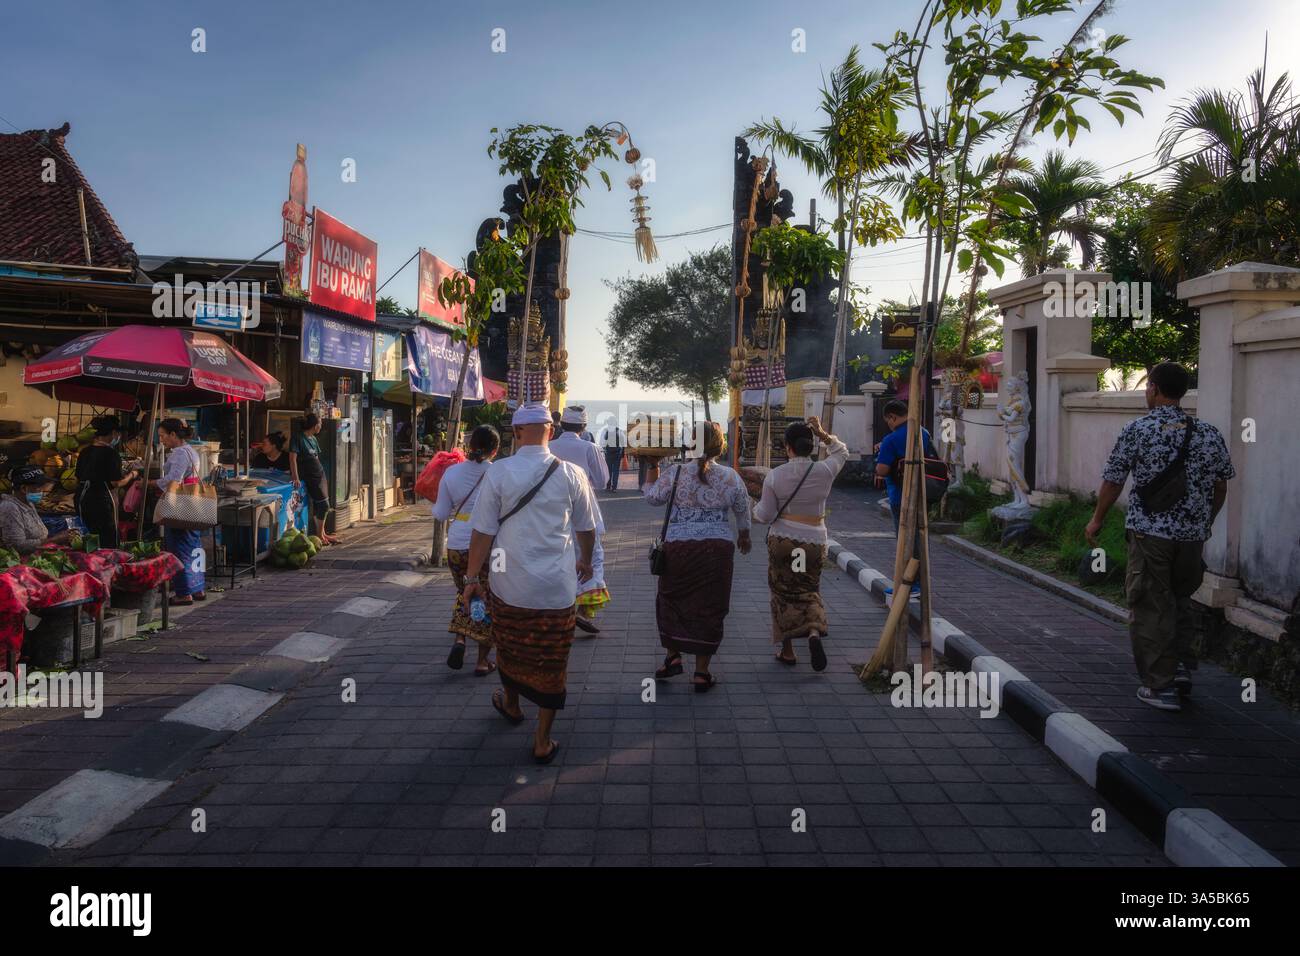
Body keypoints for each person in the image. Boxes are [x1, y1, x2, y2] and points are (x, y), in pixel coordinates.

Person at [1085, 361, 1234, 713]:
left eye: (1148, 387)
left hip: (1150, 534)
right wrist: (1204, 522)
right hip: (1192, 537)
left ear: (1153, 388)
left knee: (1151, 605)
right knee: (1181, 600)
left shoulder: (1139, 429)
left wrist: (1096, 520)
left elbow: (1113, 480)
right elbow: (1221, 484)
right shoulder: (1208, 432)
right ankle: (1180, 668)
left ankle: (1159, 685)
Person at [461, 402, 596, 764]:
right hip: (557, 587)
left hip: (510, 586)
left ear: (517, 432)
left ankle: (512, 705)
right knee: (553, 659)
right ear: (550, 430)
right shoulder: (571, 474)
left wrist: (472, 578)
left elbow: (482, 532)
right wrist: (585, 560)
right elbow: (586, 528)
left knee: (510, 647)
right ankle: (542, 740)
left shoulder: (499, 472)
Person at [643, 421, 752, 692]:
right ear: (720, 445)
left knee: (671, 600)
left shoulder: (675, 472)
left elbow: (653, 499)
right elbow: (743, 508)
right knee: (710, 606)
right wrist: (744, 535)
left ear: (692, 442)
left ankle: (672, 657)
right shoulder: (730, 476)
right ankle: (702, 672)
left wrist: (653, 468)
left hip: (679, 549)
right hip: (717, 549)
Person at [754, 417, 848, 671]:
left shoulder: (775, 476)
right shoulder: (825, 470)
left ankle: (787, 651)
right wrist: (823, 434)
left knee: (783, 593)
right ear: (810, 445)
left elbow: (764, 515)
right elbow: (842, 451)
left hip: (784, 540)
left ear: (788, 447)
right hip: (815, 540)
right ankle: (814, 633)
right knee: (808, 589)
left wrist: (753, 509)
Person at [434, 425, 499, 676]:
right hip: (487, 545)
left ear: (470, 446)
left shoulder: (451, 473)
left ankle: (460, 639)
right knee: (484, 597)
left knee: (466, 591)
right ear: (495, 450)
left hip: (456, 545)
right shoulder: (498, 473)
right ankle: (482, 661)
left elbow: (440, 513)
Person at [550, 405, 610, 633]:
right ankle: (582, 610)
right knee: (593, 556)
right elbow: (602, 481)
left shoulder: (549, 446)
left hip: (554, 509)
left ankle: (563, 607)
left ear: (561, 424)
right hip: (584, 507)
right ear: (584, 426)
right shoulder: (589, 447)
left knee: (561, 556)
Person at [873, 398, 930, 598]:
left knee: (905, 540)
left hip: (900, 495)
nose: (889, 424)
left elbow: (882, 469)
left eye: (888, 420)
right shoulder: (923, 432)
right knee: (917, 539)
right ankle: (918, 583)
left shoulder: (892, 439)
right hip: (923, 493)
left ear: (892, 417)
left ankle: (910, 584)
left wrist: (881, 455)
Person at [155, 419, 206, 604]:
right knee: (193, 544)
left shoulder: (179, 454)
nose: (161, 439)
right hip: (193, 503)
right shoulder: (191, 451)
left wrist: (152, 483)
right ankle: (198, 588)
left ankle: (184, 593)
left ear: (173, 435)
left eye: (162, 435)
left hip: (180, 504)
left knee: (178, 547)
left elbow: (173, 480)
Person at [75, 415, 139, 550]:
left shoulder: (84, 452)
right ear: (114, 433)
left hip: (81, 498)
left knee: (88, 537)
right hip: (101, 500)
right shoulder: (111, 454)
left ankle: (90, 563)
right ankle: (105, 565)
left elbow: (78, 477)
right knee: (106, 538)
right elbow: (116, 483)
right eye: (118, 433)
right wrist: (133, 475)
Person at [289, 413, 339, 546]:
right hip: (310, 476)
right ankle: (318, 535)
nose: (321, 426)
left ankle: (322, 534)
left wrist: (322, 474)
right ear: (315, 425)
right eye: (320, 424)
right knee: (324, 505)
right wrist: (296, 477)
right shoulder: (298, 438)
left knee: (321, 505)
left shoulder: (313, 439)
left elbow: (316, 458)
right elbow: (292, 458)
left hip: (319, 475)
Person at [0, 465, 72, 554]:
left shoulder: (28, 503)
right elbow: (17, 546)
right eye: (39, 487)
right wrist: (56, 540)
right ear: (24, 489)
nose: (43, 490)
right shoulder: (9, 508)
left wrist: (61, 536)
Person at [597, 421, 626, 491]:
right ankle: (614, 487)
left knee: (608, 470)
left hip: (608, 453)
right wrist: (623, 453)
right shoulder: (619, 431)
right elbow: (623, 443)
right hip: (617, 453)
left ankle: (608, 486)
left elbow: (602, 442)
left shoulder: (606, 430)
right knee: (616, 471)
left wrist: (604, 449)